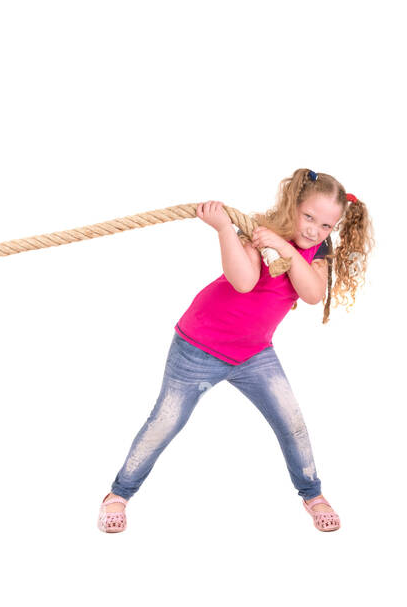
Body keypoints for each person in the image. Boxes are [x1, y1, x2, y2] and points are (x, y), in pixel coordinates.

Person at [97, 170, 373, 533]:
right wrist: (225, 229)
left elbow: (312, 293)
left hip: (253, 354)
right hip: (198, 346)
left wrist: (287, 247)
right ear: (294, 205)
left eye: (325, 225)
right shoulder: (257, 230)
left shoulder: (316, 251)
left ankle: (312, 492)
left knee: (293, 424)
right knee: (165, 422)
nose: (314, 230)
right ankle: (119, 493)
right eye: (309, 217)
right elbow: (243, 281)